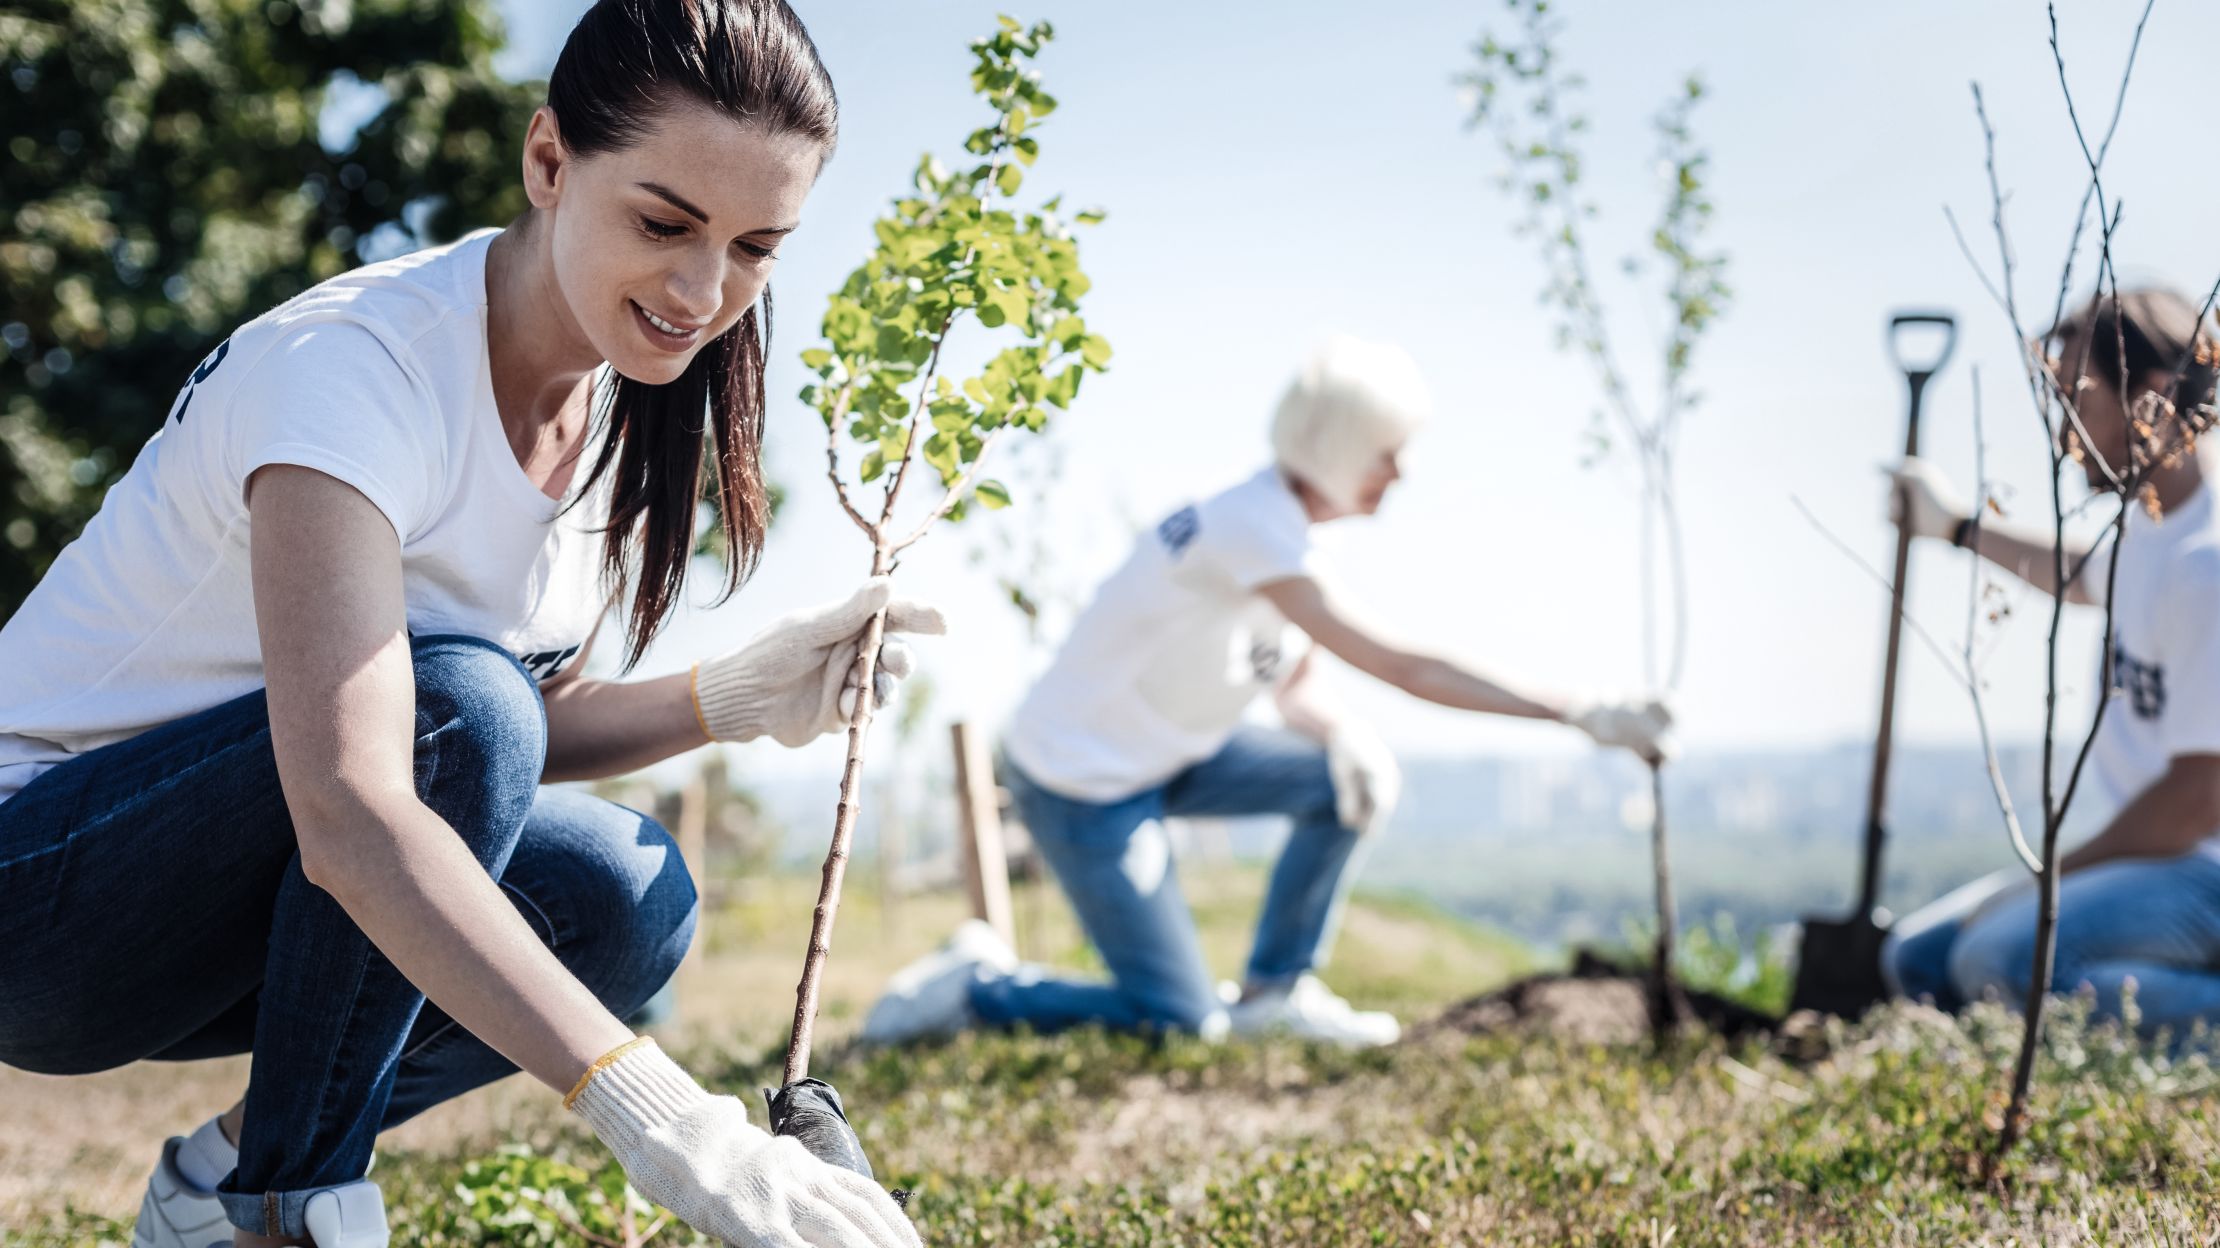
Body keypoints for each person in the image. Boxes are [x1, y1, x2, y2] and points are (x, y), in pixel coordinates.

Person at [0, 3, 929, 1245]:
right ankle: (292, 1209)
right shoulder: (355, 369)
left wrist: (731, 699)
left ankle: (236, 1194)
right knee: (456, 715)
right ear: (549, 162)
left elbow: (504, 729)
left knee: (622, 896)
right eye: (664, 223)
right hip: (39, 893)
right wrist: (675, 1130)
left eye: (757, 247)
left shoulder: (611, 406)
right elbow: (362, 796)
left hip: (231, 891)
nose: (706, 293)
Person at [861, 335, 1673, 1050]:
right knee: (1177, 1018)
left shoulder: (1279, 536)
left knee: (1337, 781)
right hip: (1082, 780)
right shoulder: (1252, 526)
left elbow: (1296, 685)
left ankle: (1276, 993)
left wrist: (1341, 736)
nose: (1403, 470)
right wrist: (1578, 711)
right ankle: (977, 986)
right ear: (1340, 448)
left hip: (1173, 751)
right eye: (1387, 450)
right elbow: (1404, 667)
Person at [1883, 287, 2220, 1040]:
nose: (2067, 432)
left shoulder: (2208, 570)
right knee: (1917, 959)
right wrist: (1958, 528)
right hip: (2152, 861)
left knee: (1995, 964)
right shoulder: (2148, 533)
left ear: (2153, 402)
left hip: (2204, 869)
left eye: (2079, 399)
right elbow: (2082, 576)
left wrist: (2046, 878)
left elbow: (2198, 803)